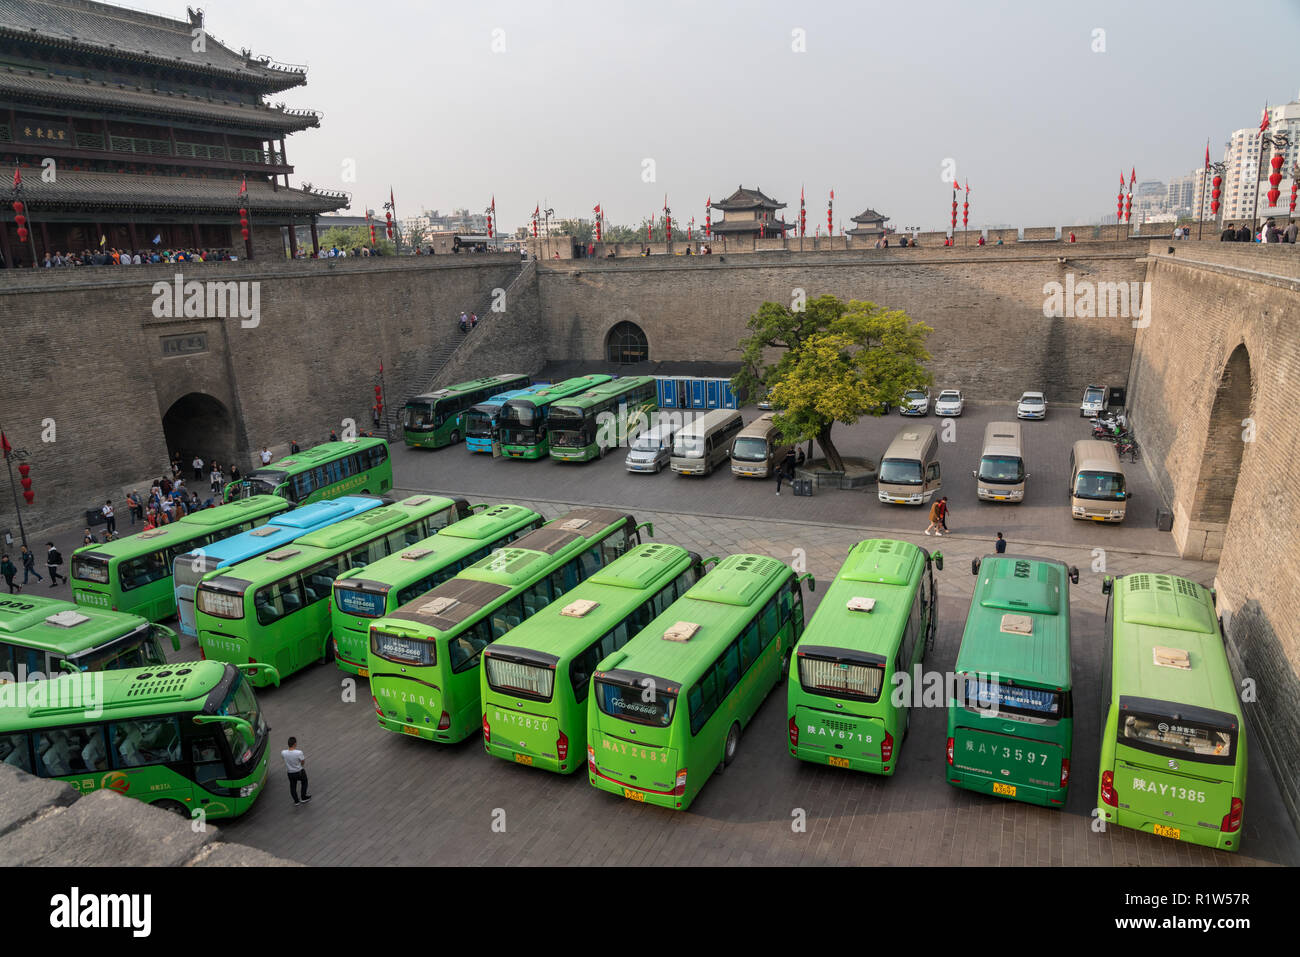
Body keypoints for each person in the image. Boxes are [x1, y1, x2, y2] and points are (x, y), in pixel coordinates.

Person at [282, 736, 311, 806]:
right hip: (299, 771)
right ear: (294, 744)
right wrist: (300, 766)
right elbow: (302, 761)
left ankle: (296, 801)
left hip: (290, 773)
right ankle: (303, 797)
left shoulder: (283, 752)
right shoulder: (299, 752)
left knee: (292, 786)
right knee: (304, 782)